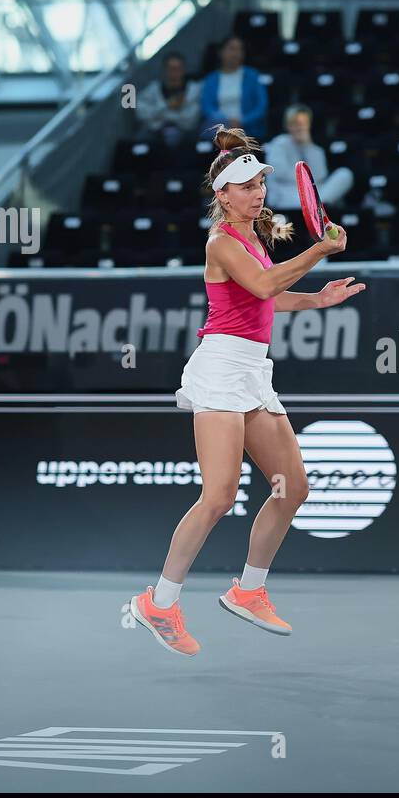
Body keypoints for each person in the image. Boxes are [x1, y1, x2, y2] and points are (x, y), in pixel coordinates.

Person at [128, 125, 366, 657]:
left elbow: (266, 300)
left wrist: (316, 300)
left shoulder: (256, 237)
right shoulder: (220, 241)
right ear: (223, 194)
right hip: (218, 370)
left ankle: (249, 589)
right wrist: (320, 251)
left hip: (254, 371)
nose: (259, 192)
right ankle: (159, 602)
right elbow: (261, 286)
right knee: (217, 498)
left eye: (261, 183)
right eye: (248, 185)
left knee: (292, 488)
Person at [262, 104, 354, 213]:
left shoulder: (315, 149)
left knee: (345, 174)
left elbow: (321, 176)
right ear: (288, 125)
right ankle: (316, 206)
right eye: (295, 123)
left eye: (303, 124)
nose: (299, 128)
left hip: (313, 194)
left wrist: (307, 145)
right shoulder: (279, 143)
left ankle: (316, 205)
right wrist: (307, 181)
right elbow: (279, 173)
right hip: (287, 194)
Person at [199, 36, 268, 140]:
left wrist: (242, 121)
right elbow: (207, 106)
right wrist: (226, 122)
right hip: (219, 129)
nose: (236, 53)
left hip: (248, 128)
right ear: (221, 52)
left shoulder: (253, 75)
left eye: (240, 49)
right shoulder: (211, 79)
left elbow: (261, 105)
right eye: (232, 49)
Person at [135, 51, 202, 145]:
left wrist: (160, 115)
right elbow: (141, 114)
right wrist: (167, 106)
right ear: (164, 70)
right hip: (156, 134)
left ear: (184, 69)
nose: (175, 72)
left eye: (178, 68)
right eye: (171, 68)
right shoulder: (152, 89)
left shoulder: (195, 89)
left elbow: (191, 121)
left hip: (188, 134)